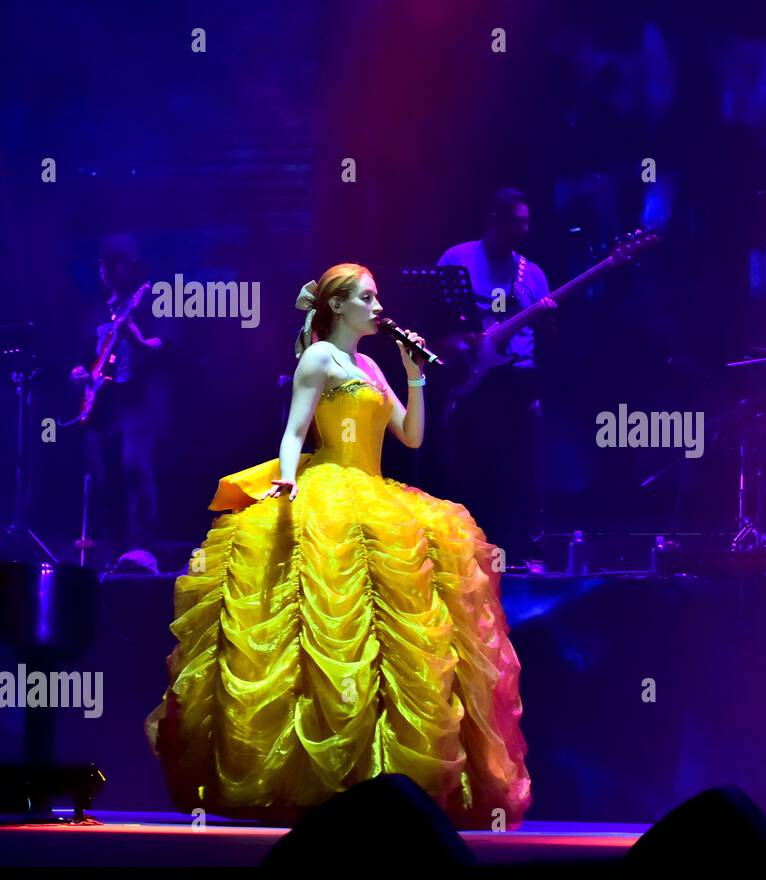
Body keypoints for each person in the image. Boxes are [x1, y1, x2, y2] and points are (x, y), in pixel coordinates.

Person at [144, 263, 531, 828]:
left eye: (378, 298)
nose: (379, 307)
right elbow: (296, 429)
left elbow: (412, 437)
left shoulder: (372, 363)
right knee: (321, 616)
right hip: (329, 485)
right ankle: (307, 775)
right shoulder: (319, 357)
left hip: (375, 488)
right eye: (367, 298)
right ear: (338, 306)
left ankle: (388, 779)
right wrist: (290, 477)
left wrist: (414, 374)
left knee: (411, 609)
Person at [436, 187, 555, 568]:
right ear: (494, 220)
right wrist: (460, 343)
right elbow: (433, 318)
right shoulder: (457, 259)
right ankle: (464, 553)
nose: (524, 230)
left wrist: (546, 314)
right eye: (516, 222)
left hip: (516, 382)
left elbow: (550, 337)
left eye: (527, 223)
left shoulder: (531, 274)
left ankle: (514, 557)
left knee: (516, 469)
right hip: (472, 381)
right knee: (471, 466)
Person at [70, 233, 165, 557]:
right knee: (104, 475)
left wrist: (136, 337)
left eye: (115, 263)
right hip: (104, 405)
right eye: (103, 264)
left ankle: (143, 548)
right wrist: (79, 372)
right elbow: (83, 356)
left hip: (139, 401)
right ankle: (114, 547)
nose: (107, 270)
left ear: (129, 266)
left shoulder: (149, 304)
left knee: (134, 467)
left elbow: (166, 349)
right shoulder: (95, 311)